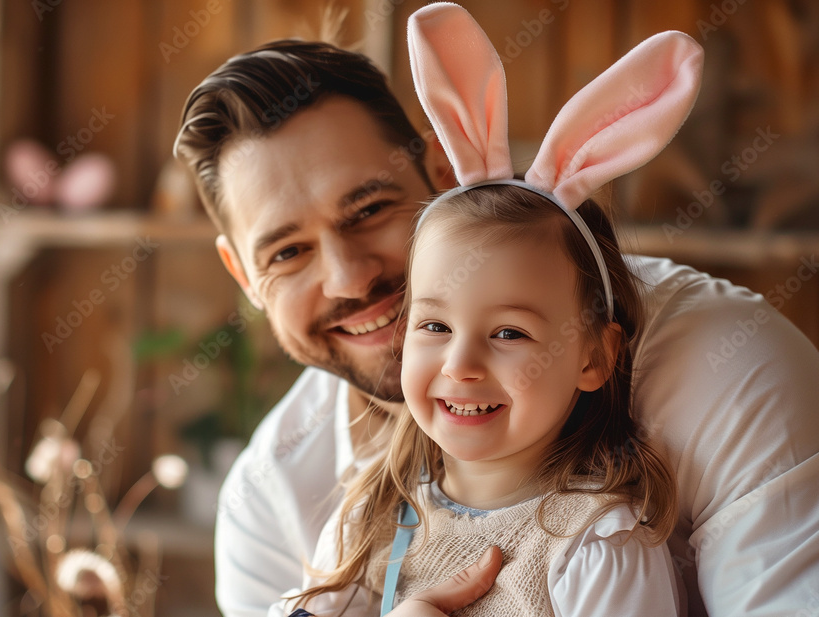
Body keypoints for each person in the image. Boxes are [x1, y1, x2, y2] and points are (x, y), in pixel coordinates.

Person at [173, 3, 819, 616]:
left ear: (444, 171)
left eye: (369, 210)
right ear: (244, 278)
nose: (349, 276)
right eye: (287, 252)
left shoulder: (729, 368)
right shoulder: (277, 498)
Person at [280, 15, 698, 616]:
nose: (462, 364)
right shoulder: (376, 513)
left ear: (594, 356)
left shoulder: (596, 548)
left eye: (509, 332)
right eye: (435, 326)